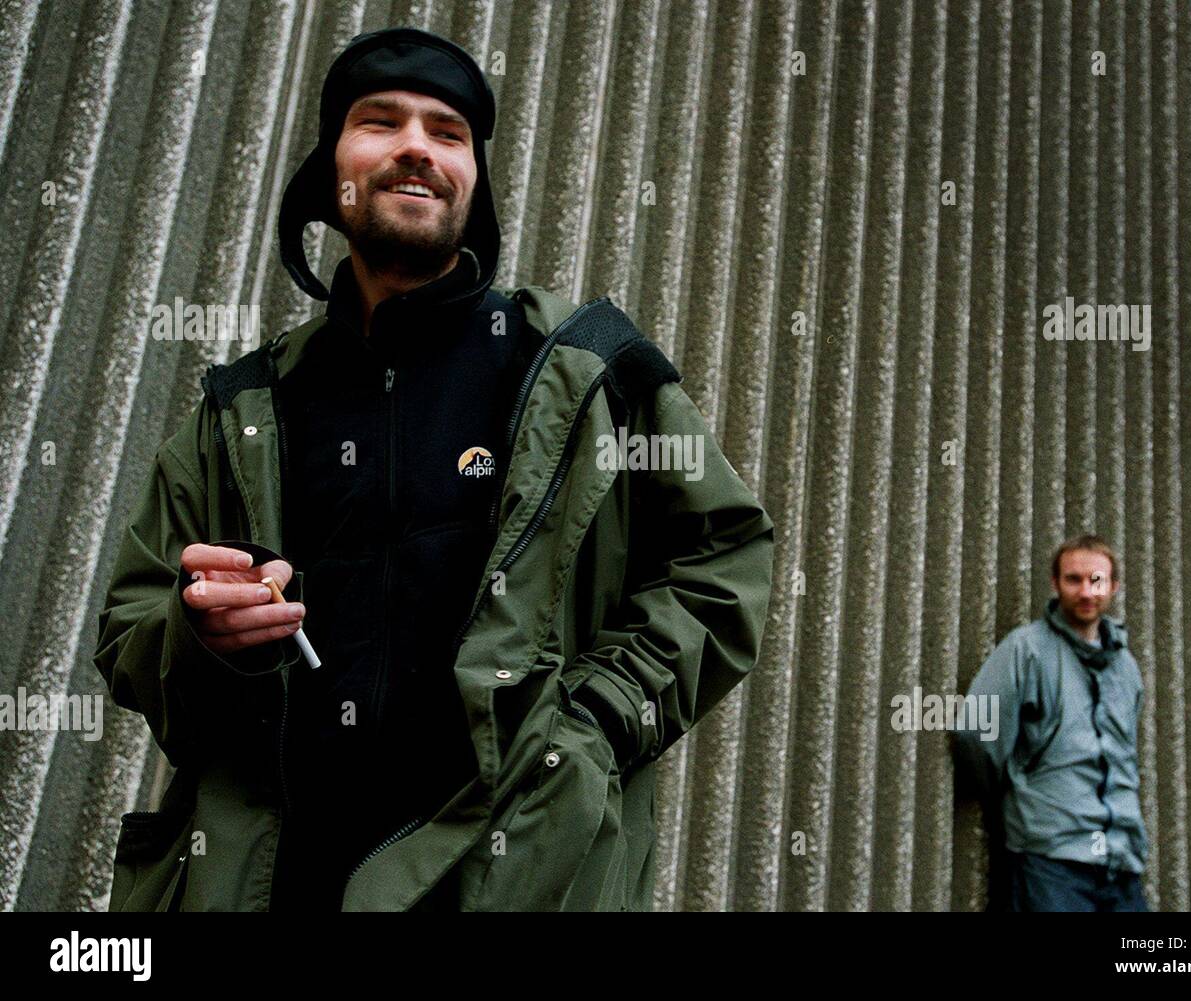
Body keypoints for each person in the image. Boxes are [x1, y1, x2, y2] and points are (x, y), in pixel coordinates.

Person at [93, 27, 775, 912]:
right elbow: (130, 629)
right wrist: (200, 636)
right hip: (276, 884)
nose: (417, 145)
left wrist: (598, 715)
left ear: (472, 181)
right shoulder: (240, 410)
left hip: (511, 876)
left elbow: (726, 557)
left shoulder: (582, 369)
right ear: (328, 174)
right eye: (380, 122)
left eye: (449, 132)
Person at [953, 535, 1149, 911]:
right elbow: (976, 732)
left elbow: (1124, 758)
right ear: (1056, 584)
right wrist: (1018, 795)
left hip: (1120, 864)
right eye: (1074, 579)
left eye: (1097, 580)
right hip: (1050, 862)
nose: (1086, 591)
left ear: (1114, 587)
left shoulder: (1126, 667)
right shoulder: (1025, 649)